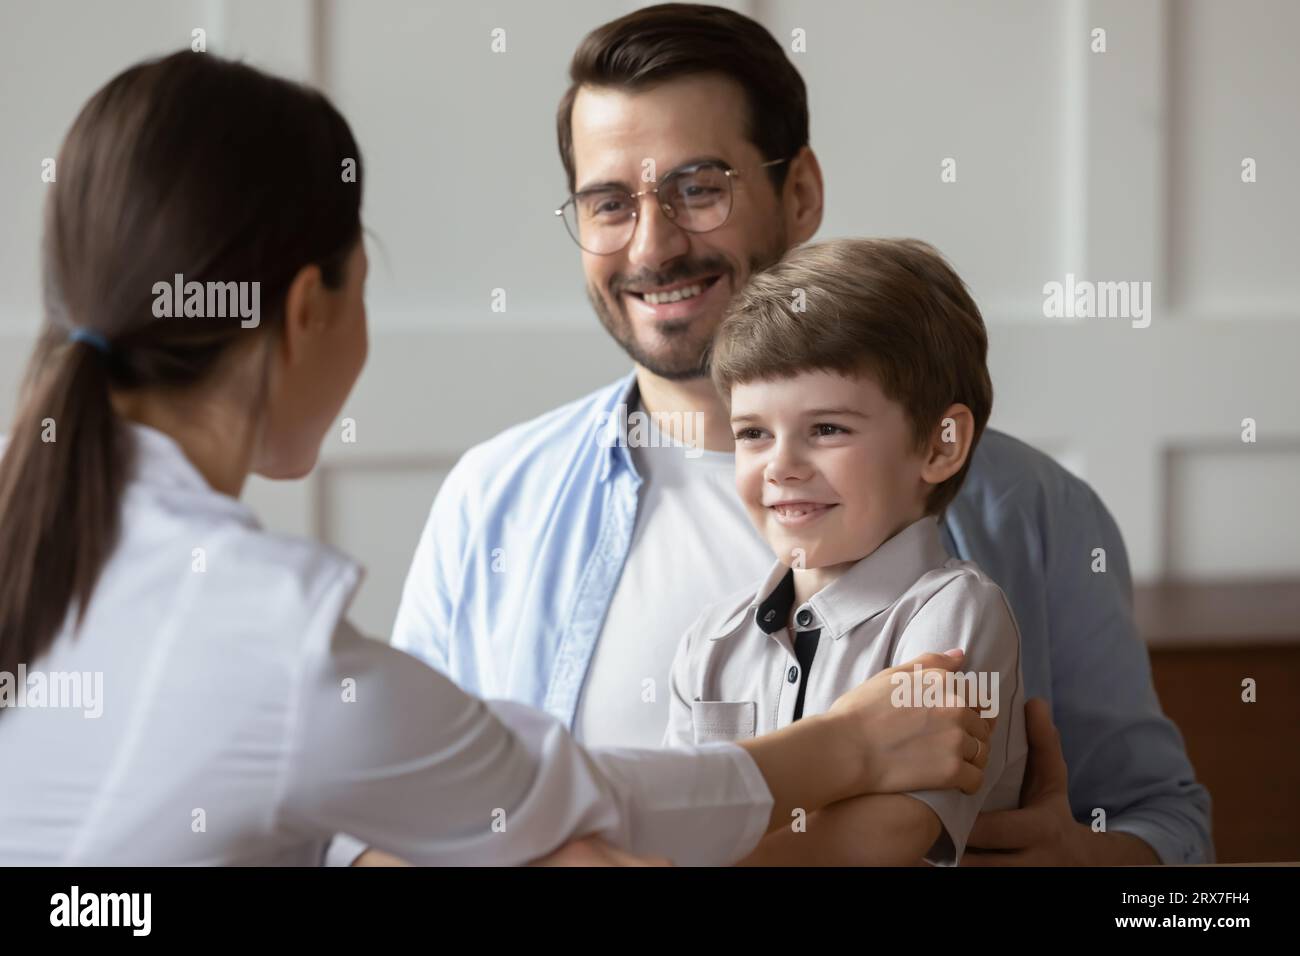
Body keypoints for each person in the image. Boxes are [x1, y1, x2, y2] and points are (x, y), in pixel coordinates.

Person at [0, 51, 995, 866]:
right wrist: (850, 744)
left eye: (699, 186)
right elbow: (538, 795)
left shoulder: (60, 550)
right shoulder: (273, 633)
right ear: (308, 312)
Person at [388, 3, 1212, 866]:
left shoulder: (1031, 510)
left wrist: (1090, 865)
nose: (654, 246)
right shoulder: (493, 502)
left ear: (802, 192)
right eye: (608, 203)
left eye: (698, 189)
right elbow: (387, 827)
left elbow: (1174, 836)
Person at [664, 237, 1028, 866]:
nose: (780, 466)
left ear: (941, 445)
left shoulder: (954, 616)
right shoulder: (710, 642)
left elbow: (887, 835)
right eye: (753, 433)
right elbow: (670, 817)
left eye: (827, 429)